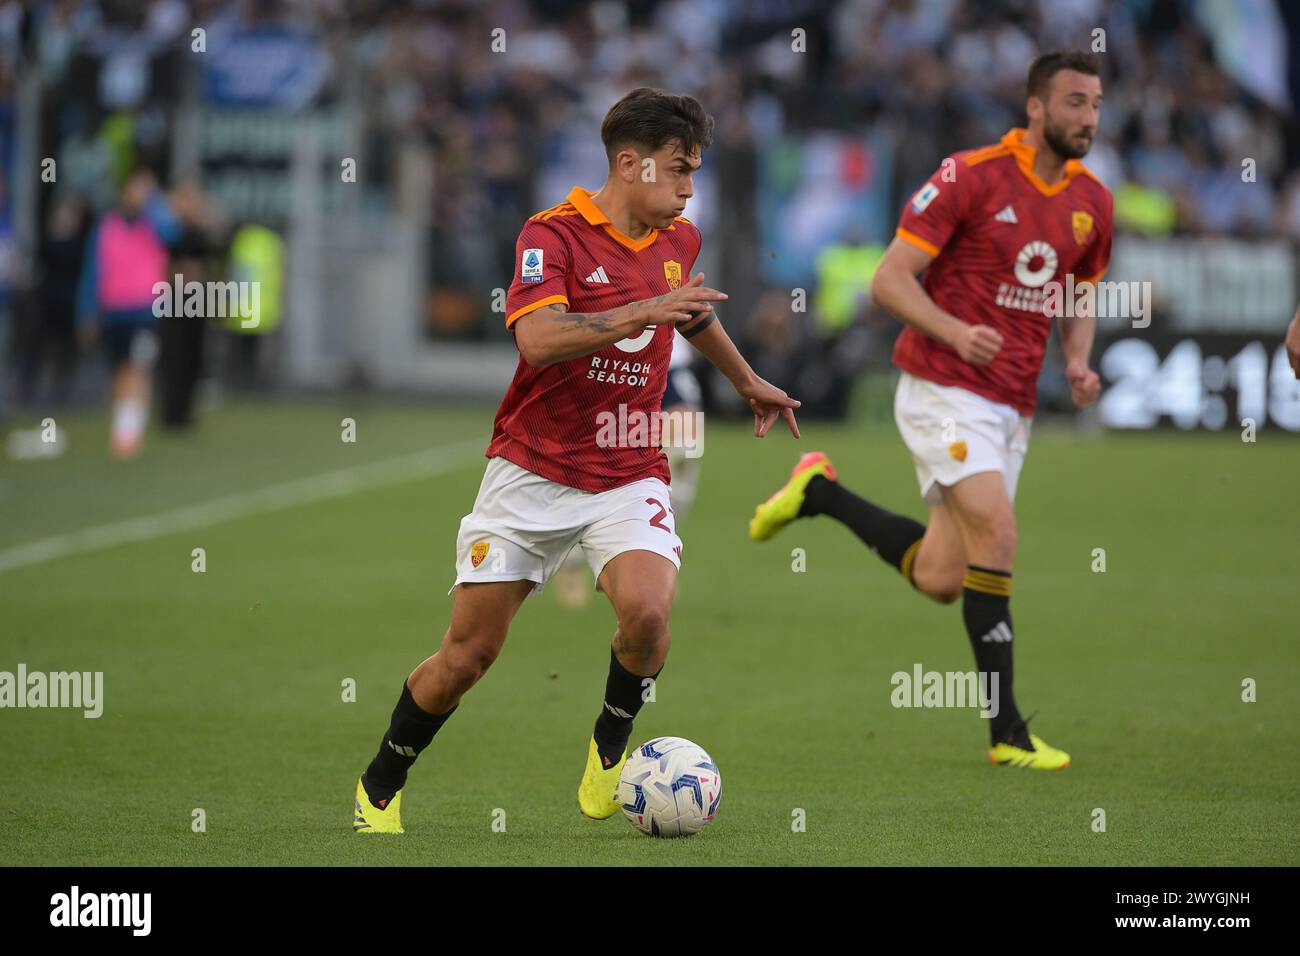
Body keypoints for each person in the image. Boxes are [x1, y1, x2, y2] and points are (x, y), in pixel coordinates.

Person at [353, 88, 800, 833]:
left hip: (628, 467)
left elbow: (691, 311)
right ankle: (381, 781)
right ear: (630, 163)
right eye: (680, 170)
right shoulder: (550, 234)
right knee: (465, 658)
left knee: (650, 616)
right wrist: (637, 313)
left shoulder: (678, 239)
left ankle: (610, 747)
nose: (690, 190)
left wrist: (746, 380)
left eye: (694, 173)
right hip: (530, 472)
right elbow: (539, 339)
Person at [750, 51, 1113, 770]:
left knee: (944, 578)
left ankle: (817, 491)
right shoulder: (971, 176)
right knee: (999, 534)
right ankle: (1007, 734)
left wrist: (1075, 358)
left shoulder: (1093, 201)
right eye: (1075, 102)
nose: (1089, 118)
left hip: (1012, 403)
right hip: (942, 387)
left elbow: (1079, 288)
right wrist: (952, 330)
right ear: (1036, 108)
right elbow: (889, 280)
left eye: (1097, 104)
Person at [77, 168, 179, 458]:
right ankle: (124, 424)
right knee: (118, 371)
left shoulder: (154, 222)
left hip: (145, 310)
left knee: (138, 367)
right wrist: (86, 311)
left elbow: (173, 234)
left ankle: (129, 431)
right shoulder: (106, 226)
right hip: (114, 312)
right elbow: (93, 272)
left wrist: (154, 201)